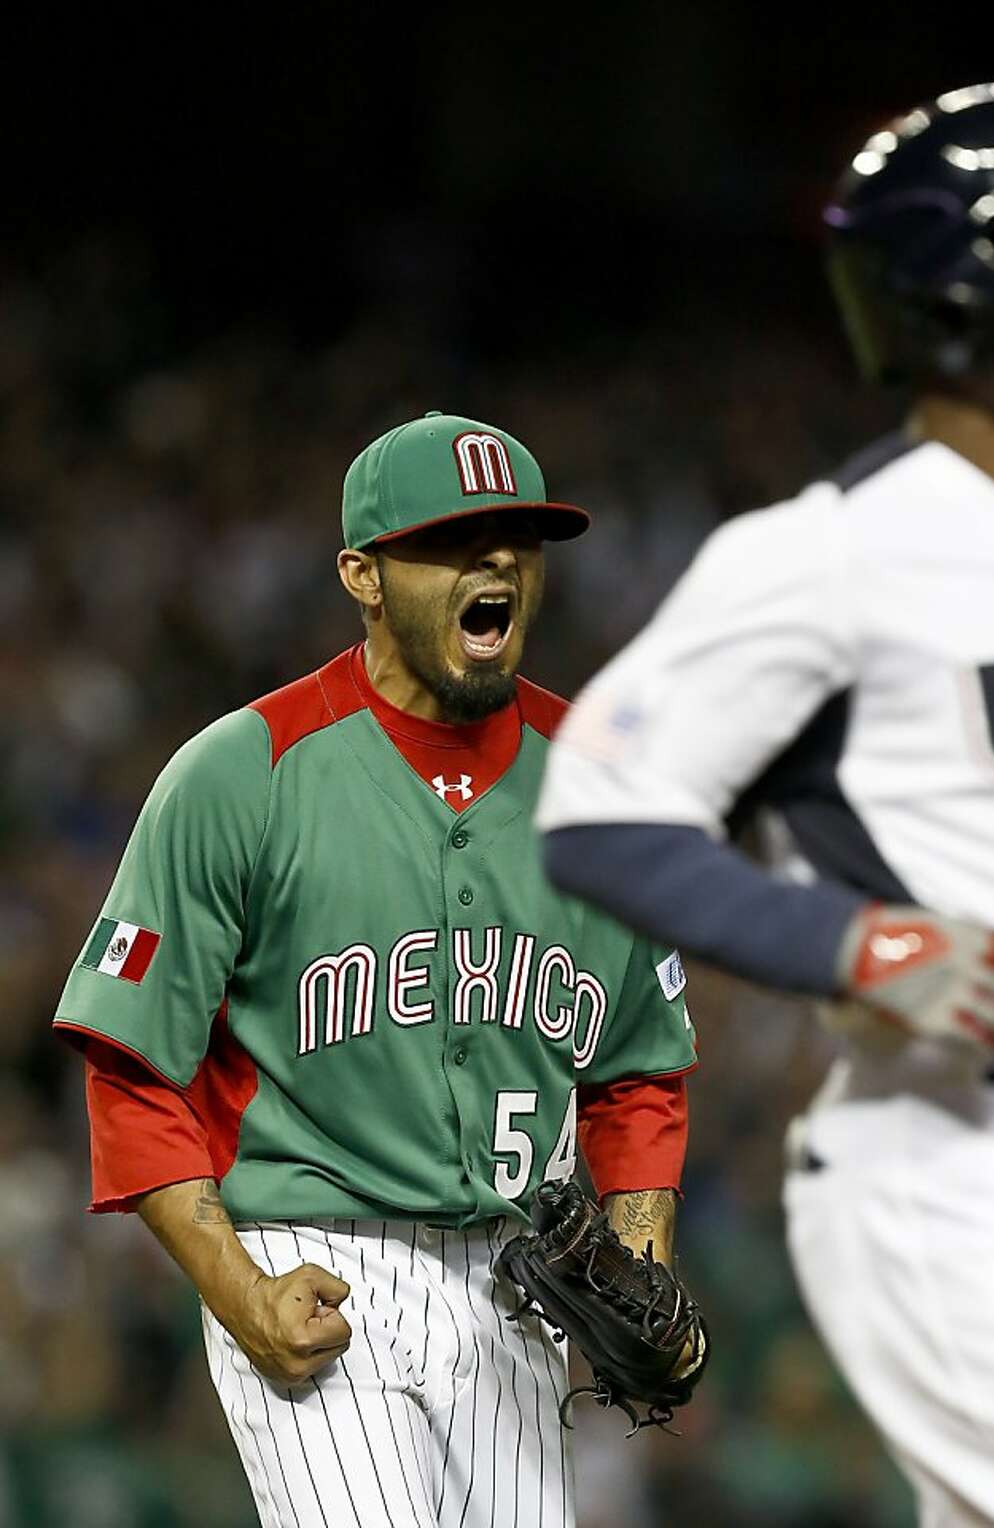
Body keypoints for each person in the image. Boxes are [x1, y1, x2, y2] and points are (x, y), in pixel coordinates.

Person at [536, 81, 994, 1527]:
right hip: (981, 1167)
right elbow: (598, 807)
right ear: (939, 284)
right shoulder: (830, 553)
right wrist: (859, 948)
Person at [53, 411, 699, 1528]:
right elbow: (132, 1068)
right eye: (455, 539)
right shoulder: (243, 772)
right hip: (312, 1257)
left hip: (516, 1275)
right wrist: (235, 1288)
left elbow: (641, 1072)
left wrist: (638, 1265)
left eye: (518, 539)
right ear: (363, 573)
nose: (496, 561)